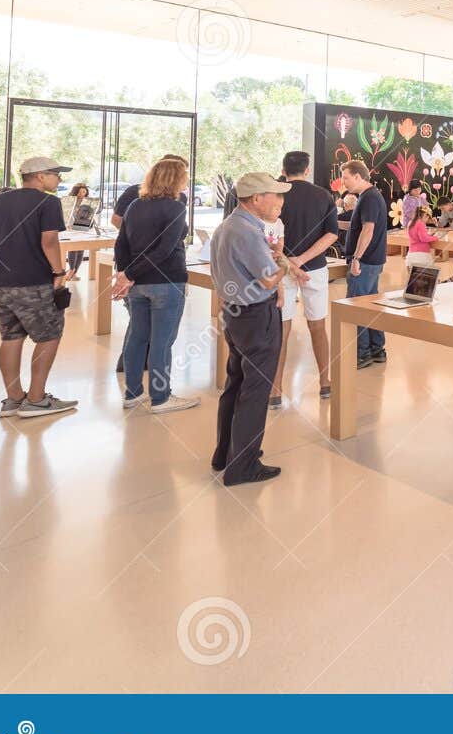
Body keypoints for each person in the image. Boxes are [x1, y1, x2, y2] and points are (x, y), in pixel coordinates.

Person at [208, 172, 297, 486]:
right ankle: (243, 465)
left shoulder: (226, 227)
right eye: (276, 195)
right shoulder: (246, 231)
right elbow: (269, 279)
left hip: (236, 316)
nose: (281, 202)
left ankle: (225, 454)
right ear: (257, 198)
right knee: (255, 390)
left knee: (237, 384)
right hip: (257, 316)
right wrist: (284, 265)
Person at [0, 156, 78, 418]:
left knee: (11, 338)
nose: (60, 179)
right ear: (40, 176)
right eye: (57, 174)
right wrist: (59, 272)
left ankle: (13, 400)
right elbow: (49, 241)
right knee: (49, 336)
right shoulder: (48, 202)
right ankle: (36, 400)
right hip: (33, 283)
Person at [111, 156, 198, 414]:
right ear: (175, 179)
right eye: (184, 175)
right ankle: (161, 397)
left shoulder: (136, 205)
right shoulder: (175, 208)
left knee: (137, 338)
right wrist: (128, 275)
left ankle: (133, 393)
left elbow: (121, 244)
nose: (187, 180)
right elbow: (165, 249)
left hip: (138, 284)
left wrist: (126, 274)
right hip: (167, 280)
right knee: (162, 342)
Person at [271, 150, 340, 406]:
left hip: (280, 270)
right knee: (318, 326)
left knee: (282, 329)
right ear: (307, 169)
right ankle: (325, 383)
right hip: (316, 269)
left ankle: (275, 391)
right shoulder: (323, 195)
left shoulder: (276, 196)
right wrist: (303, 259)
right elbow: (332, 234)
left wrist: (290, 262)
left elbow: (268, 236)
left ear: (284, 168)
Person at [340, 160, 389, 368]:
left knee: (357, 307)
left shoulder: (369, 198)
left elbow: (368, 230)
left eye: (346, 178)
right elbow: (359, 227)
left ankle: (362, 353)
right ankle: (377, 348)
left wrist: (357, 258)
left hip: (365, 262)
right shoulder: (369, 197)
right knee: (369, 306)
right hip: (371, 261)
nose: (344, 183)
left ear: (359, 177)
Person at [61, 182, 94, 279]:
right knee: (73, 249)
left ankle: (74, 272)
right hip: (71, 229)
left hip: (83, 228)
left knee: (81, 250)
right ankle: (71, 270)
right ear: (76, 192)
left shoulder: (87, 204)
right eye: (80, 192)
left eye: (84, 192)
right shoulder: (70, 202)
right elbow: (66, 215)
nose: (82, 194)